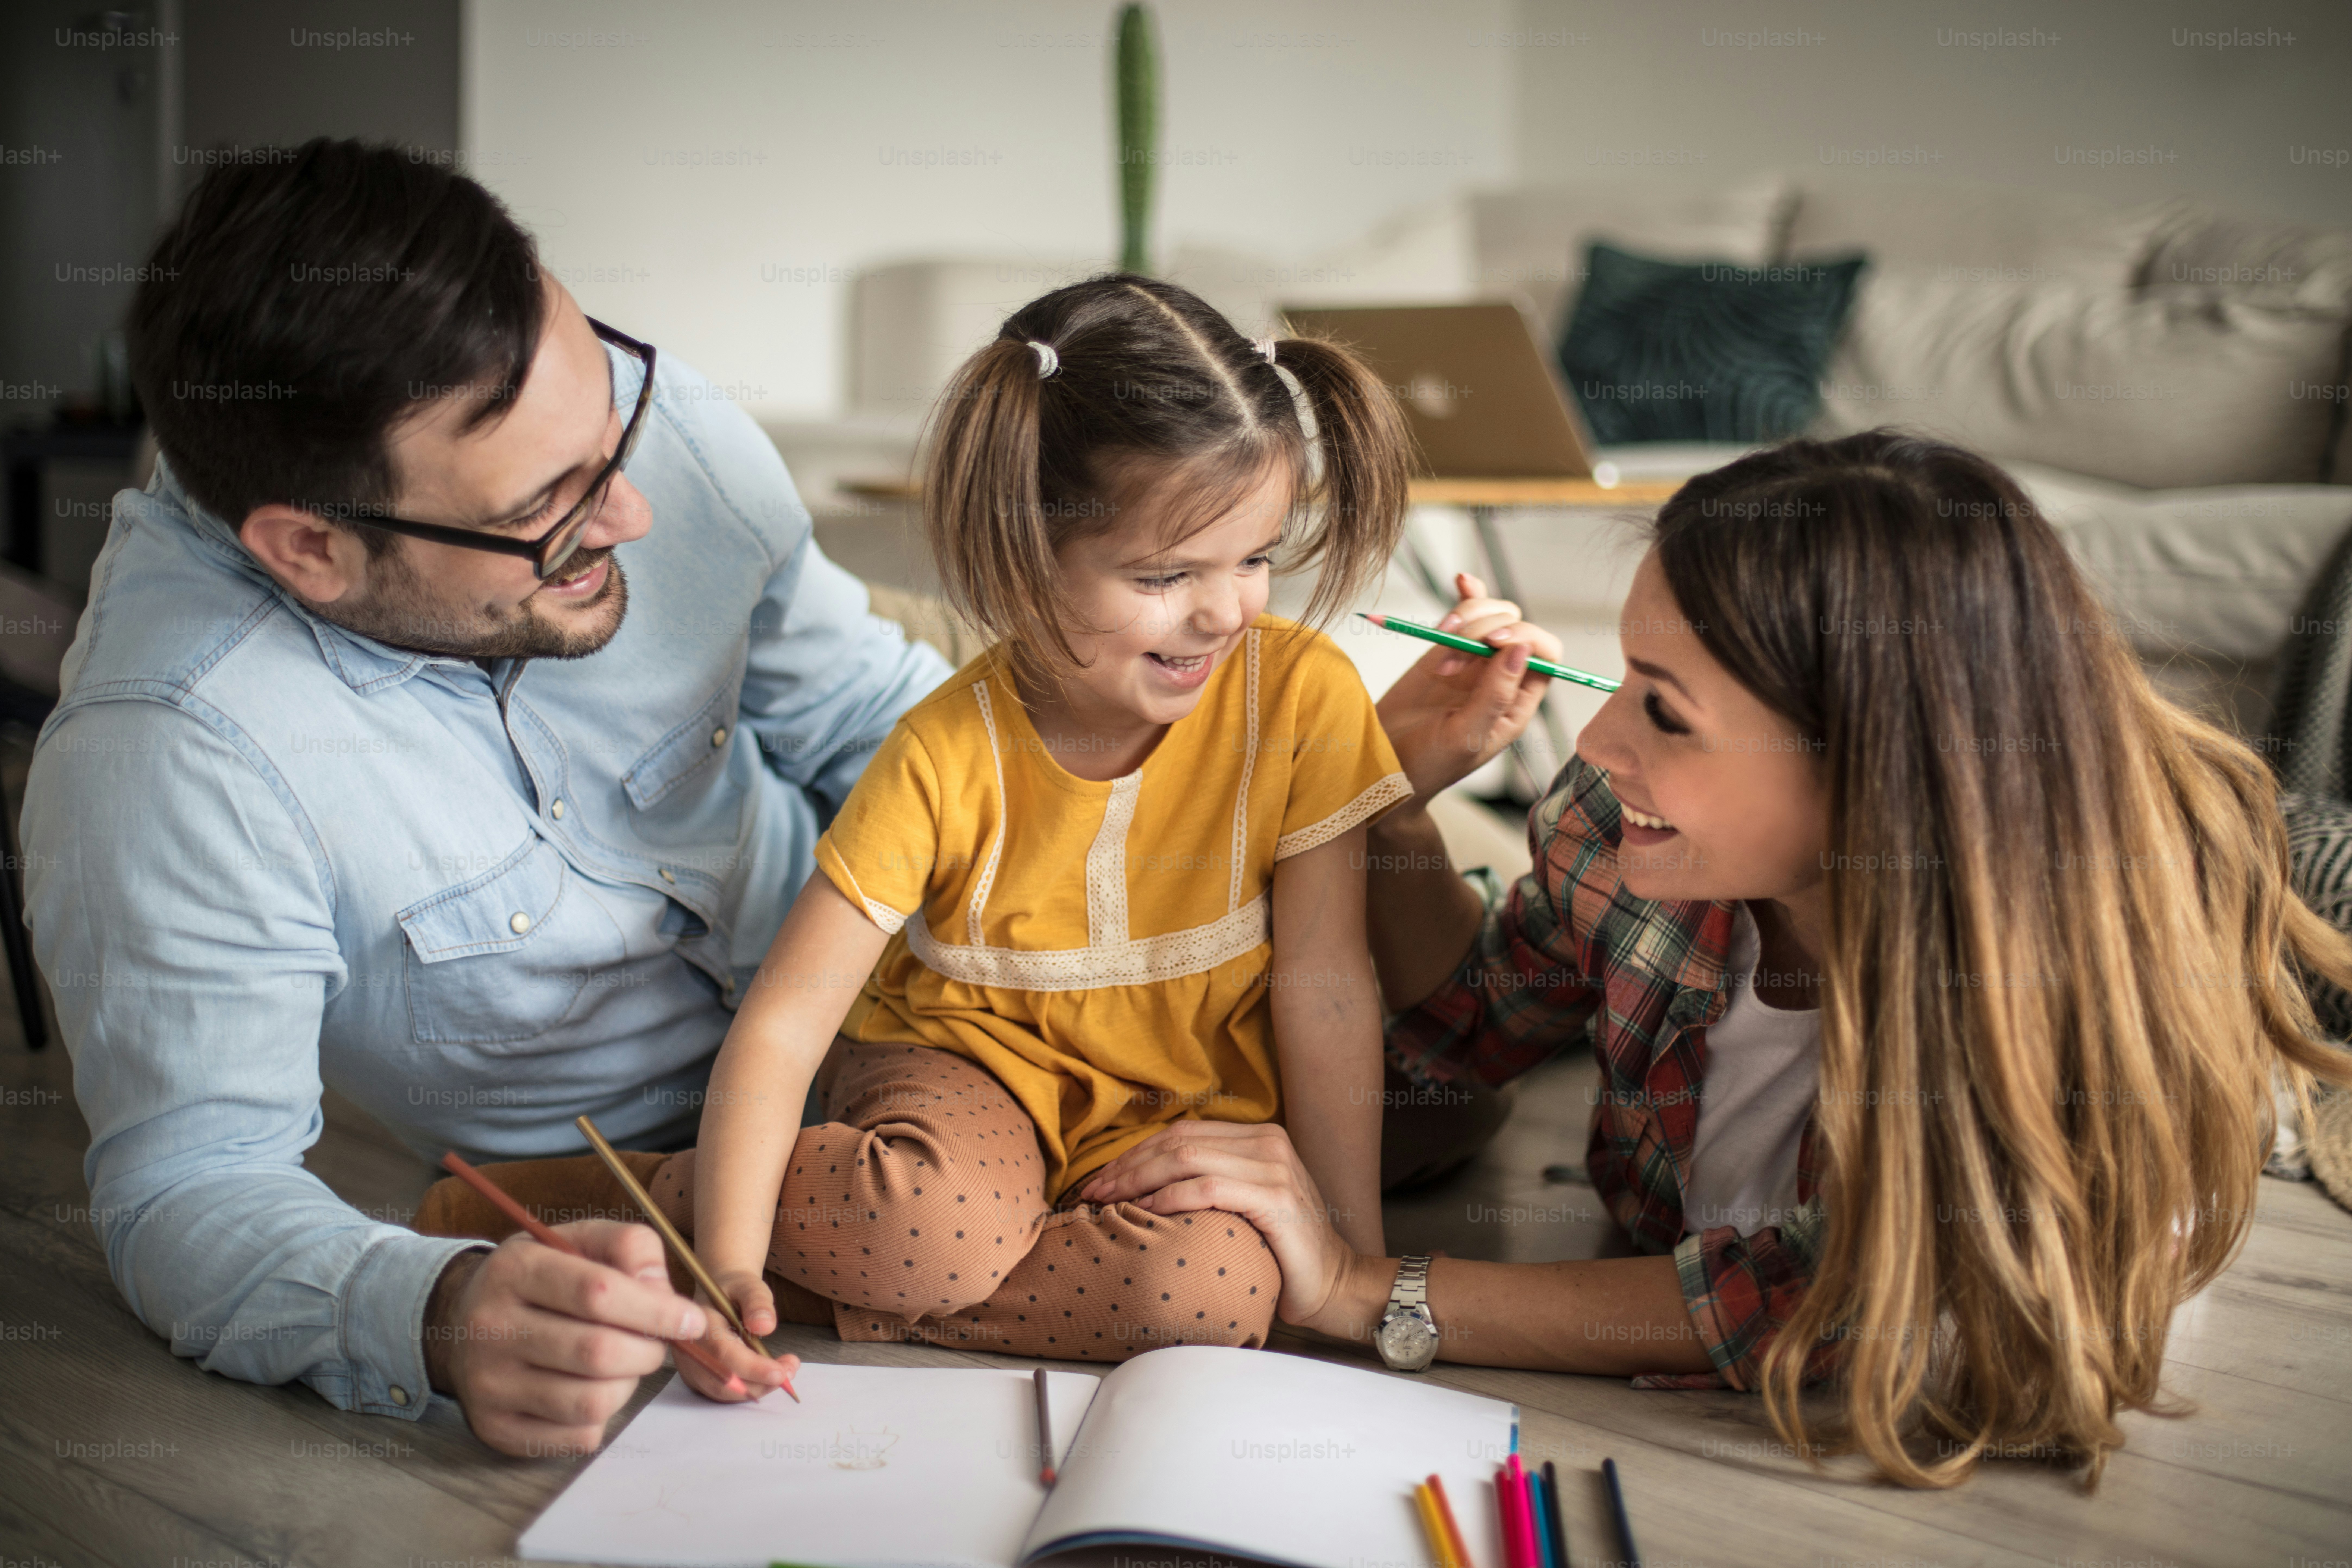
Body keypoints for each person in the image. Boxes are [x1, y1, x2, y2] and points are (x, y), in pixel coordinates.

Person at [1075, 431, 2352, 1487]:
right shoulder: (1616, 824)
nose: (1598, 739)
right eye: (1622, 678)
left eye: (1664, 710)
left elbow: (1856, 1307)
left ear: (1865, 765)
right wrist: (1383, 798)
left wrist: (1373, 1289)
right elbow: (1462, 1031)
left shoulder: (2056, 1000)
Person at [19, 139, 950, 1458]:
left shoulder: (632, 426)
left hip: (913, 989)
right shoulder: (173, 756)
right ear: (313, 549)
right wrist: (441, 1309)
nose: (634, 510)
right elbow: (192, 1183)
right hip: (643, 1186)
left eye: (610, 430)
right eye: (553, 511)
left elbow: (868, 720)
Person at [419, 274, 1417, 1385]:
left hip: (1171, 1112)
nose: (1226, 609)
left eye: (1254, 557)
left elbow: (1325, 981)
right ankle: (652, 1202)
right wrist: (723, 1283)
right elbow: (788, 1020)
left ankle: (831, 1278)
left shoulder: (1305, 697)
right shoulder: (946, 751)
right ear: (1025, 554)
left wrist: (1351, 1261)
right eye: (1164, 574)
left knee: (1221, 1292)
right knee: (923, 1224)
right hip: (958, 1080)